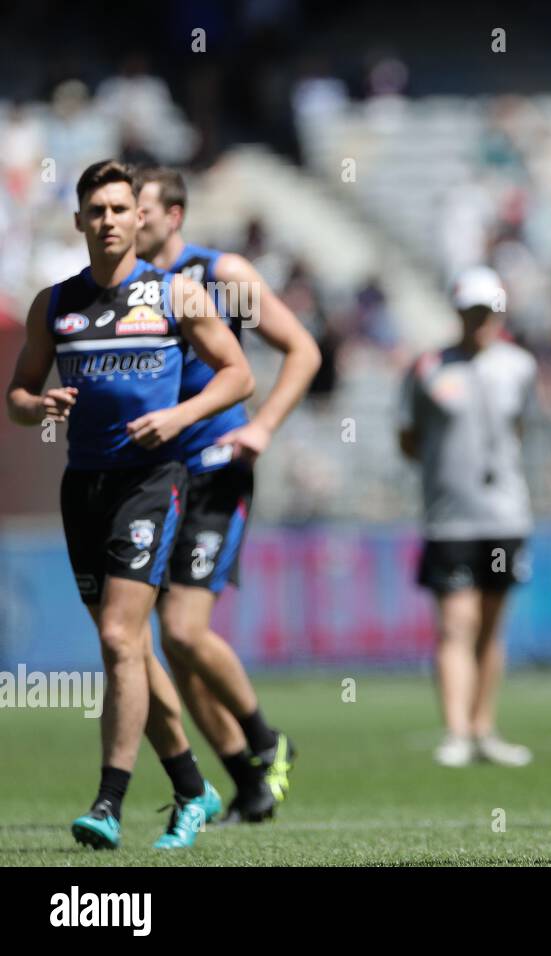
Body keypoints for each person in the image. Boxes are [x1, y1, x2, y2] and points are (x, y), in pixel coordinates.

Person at [5, 159, 254, 848]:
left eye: (121, 209)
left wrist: (179, 418)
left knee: (120, 639)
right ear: (80, 221)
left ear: (139, 218)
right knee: (130, 652)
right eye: (98, 211)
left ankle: (109, 803)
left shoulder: (177, 295)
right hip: (82, 486)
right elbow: (18, 395)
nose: (111, 221)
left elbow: (238, 374)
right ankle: (191, 788)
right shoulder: (54, 304)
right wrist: (39, 404)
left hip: (153, 481)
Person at [134, 166, 320, 821]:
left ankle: (270, 745)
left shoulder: (220, 274)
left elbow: (302, 349)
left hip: (216, 467)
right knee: (173, 644)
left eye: (142, 209)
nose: (128, 220)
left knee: (182, 631)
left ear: (174, 214)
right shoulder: (123, 288)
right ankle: (248, 784)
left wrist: (263, 426)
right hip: (153, 476)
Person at [398, 266, 536, 768]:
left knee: (490, 627)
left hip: (505, 517)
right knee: (457, 623)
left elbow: (520, 427)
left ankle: (483, 728)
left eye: (487, 311)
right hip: (450, 519)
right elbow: (408, 436)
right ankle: (456, 731)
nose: (480, 320)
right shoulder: (428, 367)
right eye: (472, 310)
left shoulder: (519, 366)